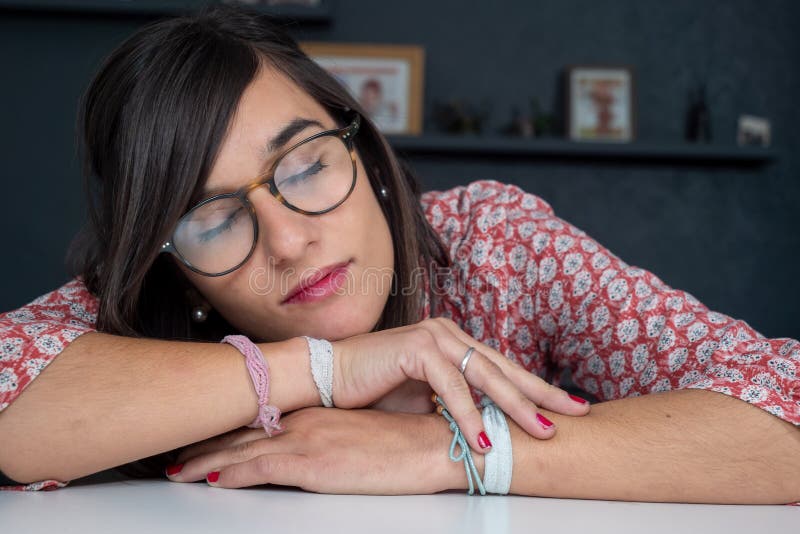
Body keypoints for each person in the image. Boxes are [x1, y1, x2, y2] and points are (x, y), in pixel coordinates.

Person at [0, 6, 797, 503]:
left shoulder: (494, 244)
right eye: (210, 218)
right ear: (170, 258)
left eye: (306, 165)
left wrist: (450, 452)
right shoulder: (152, 297)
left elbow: (783, 409)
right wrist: (327, 368)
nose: (287, 238)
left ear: (365, 151)